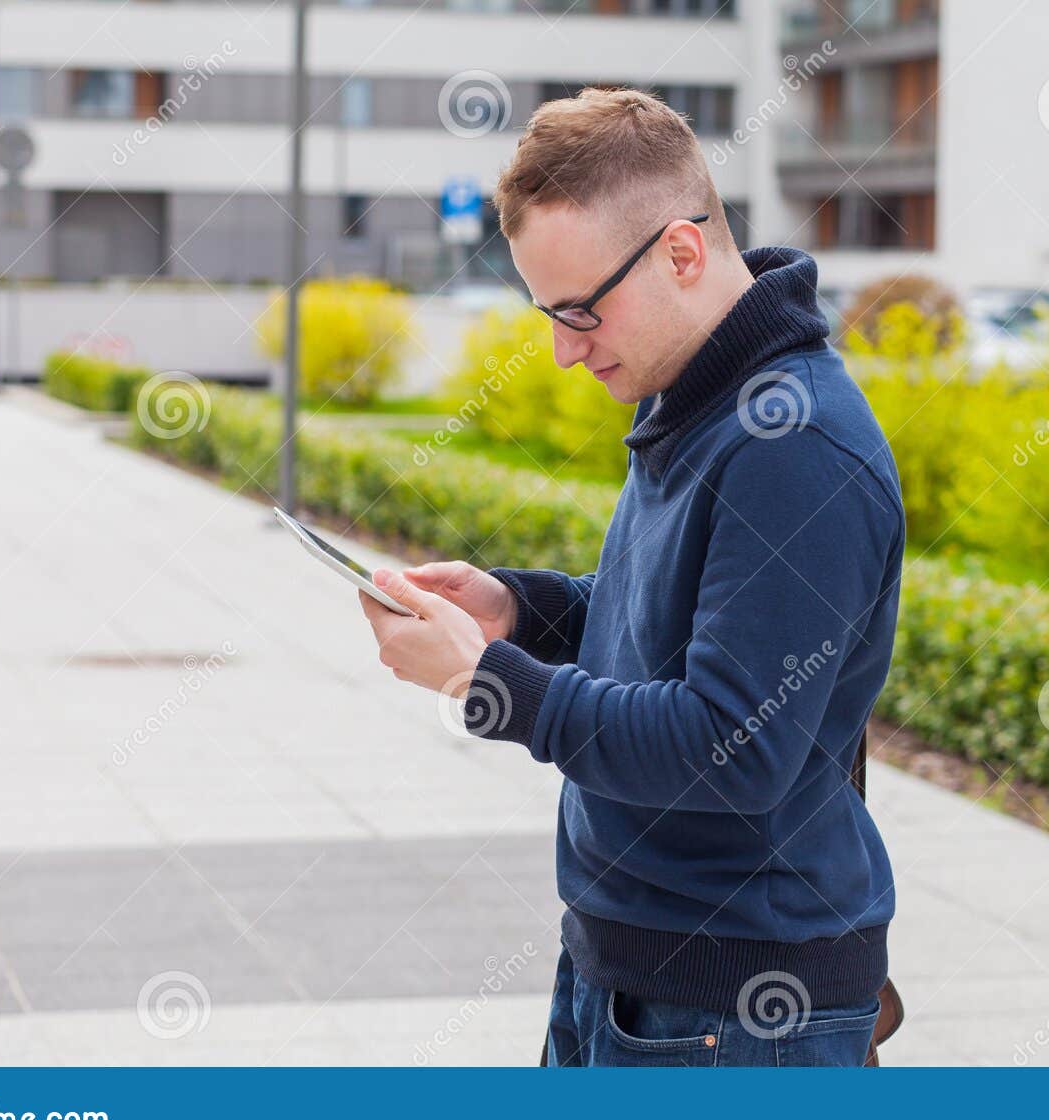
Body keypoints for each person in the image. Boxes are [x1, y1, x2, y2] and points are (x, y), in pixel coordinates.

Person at [359, 87, 904, 1067]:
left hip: (734, 1012)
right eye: (548, 314)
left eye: (579, 311)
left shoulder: (792, 446)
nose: (565, 351)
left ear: (681, 255)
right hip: (633, 976)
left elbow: (728, 744)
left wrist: (489, 684)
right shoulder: (701, 399)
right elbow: (669, 631)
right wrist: (520, 610)